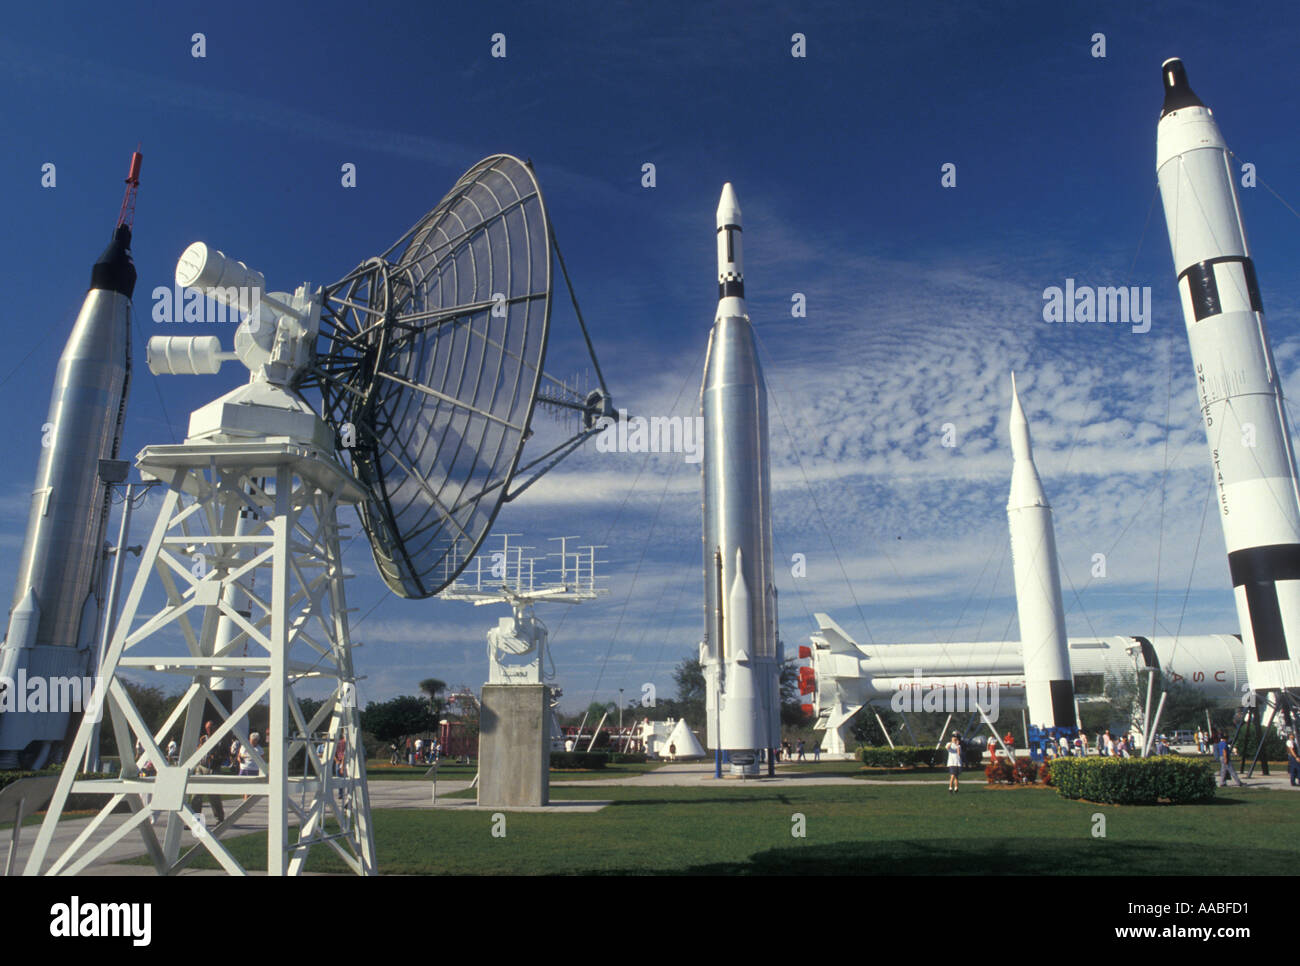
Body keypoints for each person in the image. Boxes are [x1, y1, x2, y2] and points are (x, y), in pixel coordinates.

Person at [190, 733, 226, 823]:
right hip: (201, 767)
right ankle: (196, 820)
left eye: (210, 728)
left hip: (213, 769)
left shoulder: (219, 739)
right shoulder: (203, 738)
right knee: (196, 795)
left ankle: (219, 818)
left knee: (214, 796)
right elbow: (197, 752)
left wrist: (216, 755)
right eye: (207, 728)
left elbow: (224, 753)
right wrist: (201, 745)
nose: (208, 730)